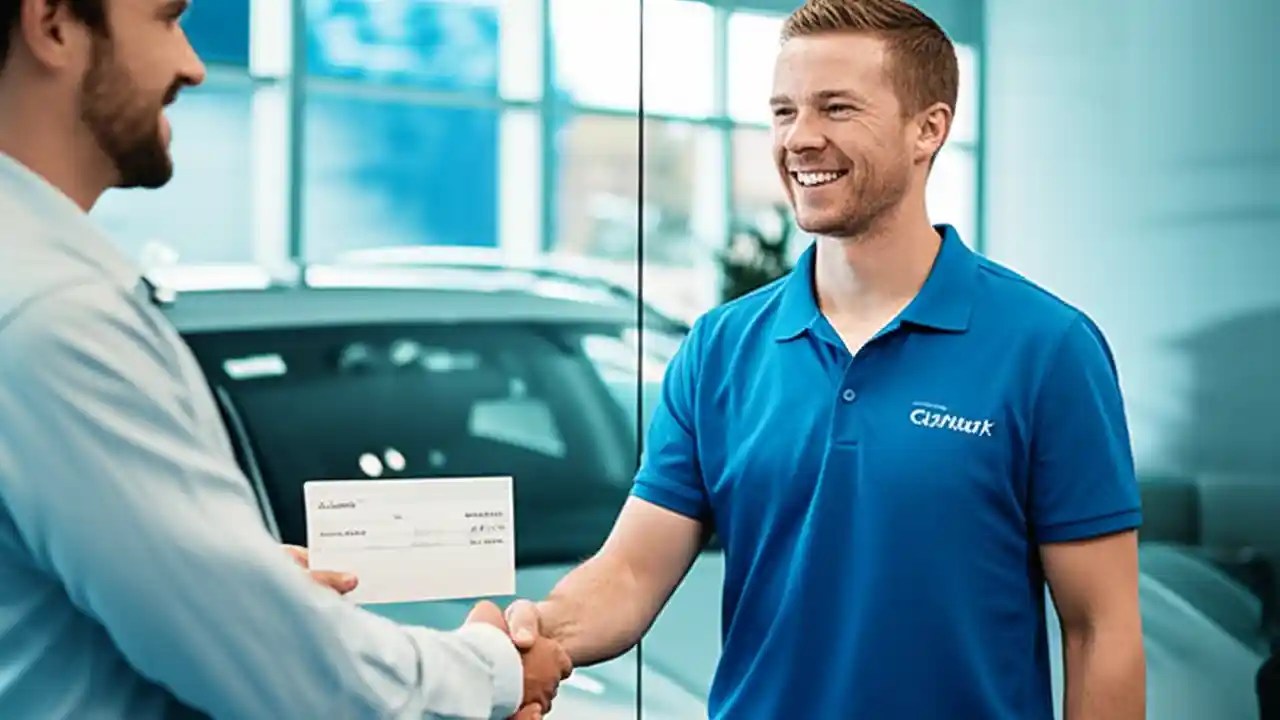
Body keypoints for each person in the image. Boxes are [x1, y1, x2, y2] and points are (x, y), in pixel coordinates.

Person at [500, 1, 1146, 719]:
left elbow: (1101, 630)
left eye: (837, 108)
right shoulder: (719, 349)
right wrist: (532, 634)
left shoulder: (1047, 349)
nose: (800, 139)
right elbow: (628, 573)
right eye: (784, 111)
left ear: (928, 129)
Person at [0, 1, 568, 718]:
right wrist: (493, 669)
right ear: (53, 24)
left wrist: (236, 576)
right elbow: (289, 673)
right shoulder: (58, 317)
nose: (192, 65)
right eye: (166, 19)